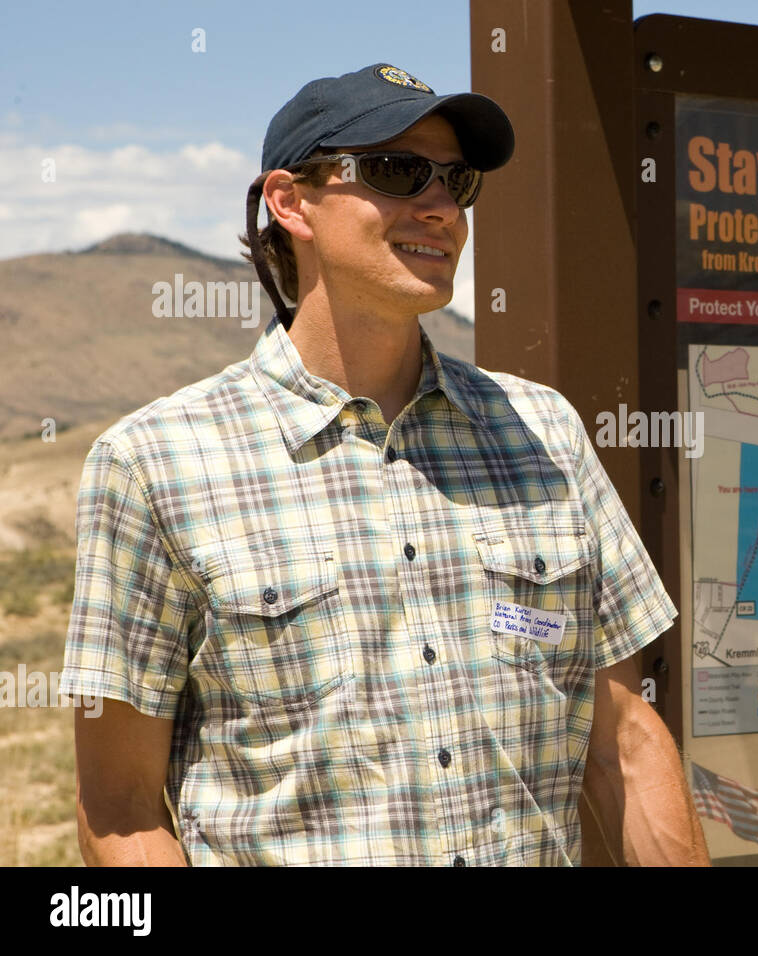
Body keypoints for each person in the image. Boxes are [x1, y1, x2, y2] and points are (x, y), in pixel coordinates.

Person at [61, 63, 709, 866]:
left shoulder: (545, 432)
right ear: (290, 202)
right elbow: (121, 812)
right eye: (397, 172)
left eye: (456, 180)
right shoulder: (154, 464)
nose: (440, 209)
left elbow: (626, 747)